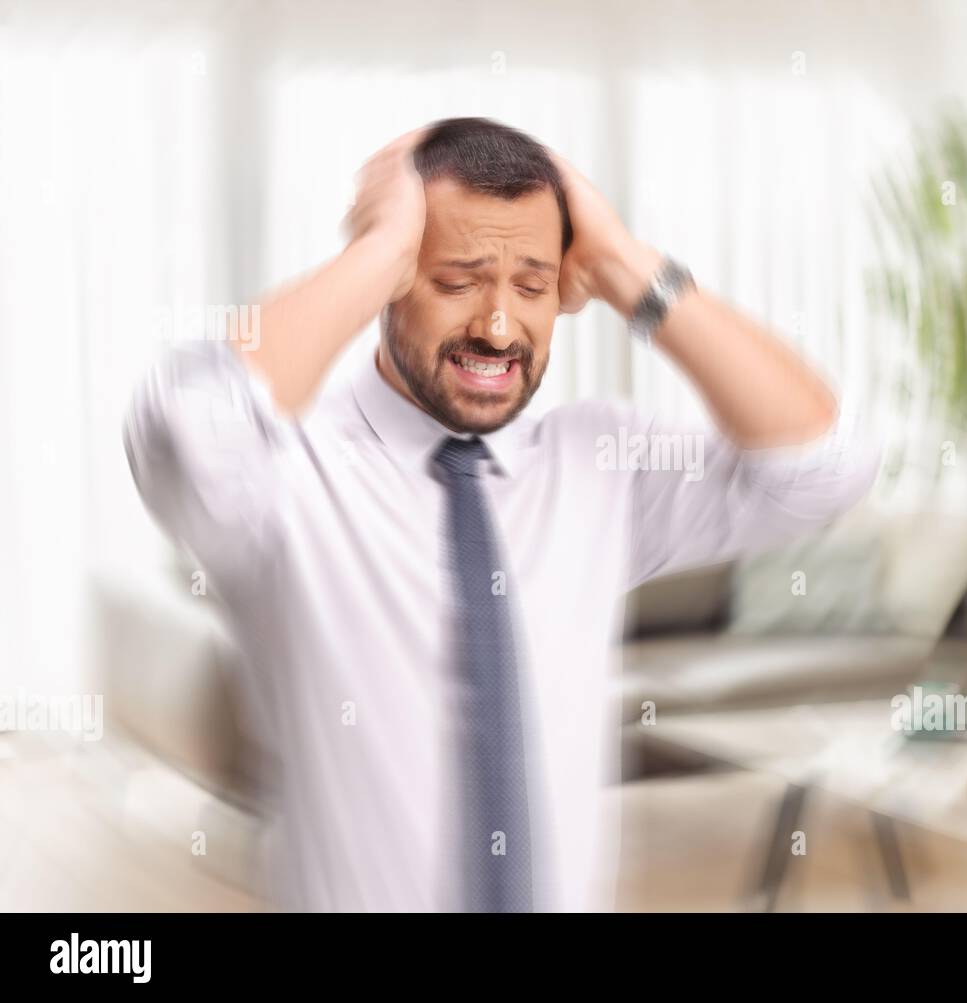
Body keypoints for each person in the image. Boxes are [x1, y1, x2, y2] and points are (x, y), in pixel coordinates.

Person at [124, 117, 877, 911]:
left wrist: (626, 264)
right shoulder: (284, 481)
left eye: (531, 284)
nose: (497, 324)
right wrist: (376, 250)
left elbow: (826, 465)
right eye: (455, 280)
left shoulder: (597, 465)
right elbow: (181, 422)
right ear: (389, 286)